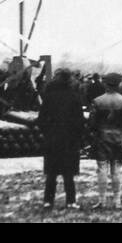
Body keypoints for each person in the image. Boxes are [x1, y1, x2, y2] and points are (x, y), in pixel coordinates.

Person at [37, 69, 84, 210]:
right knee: (68, 173)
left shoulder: (48, 98)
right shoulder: (74, 97)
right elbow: (80, 121)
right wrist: (77, 136)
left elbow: (41, 120)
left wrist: (48, 133)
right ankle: (71, 201)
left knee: (51, 173)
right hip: (69, 140)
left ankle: (48, 201)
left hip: (52, 139)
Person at [89, 73, 122, 210]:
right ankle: (117, 201)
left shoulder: (97, 101)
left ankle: (102, 201)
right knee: (116, 171)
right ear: (118, 84)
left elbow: (92, 123)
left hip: (102, 138)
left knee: (101, 169)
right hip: (119, 138)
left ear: (106, 84)